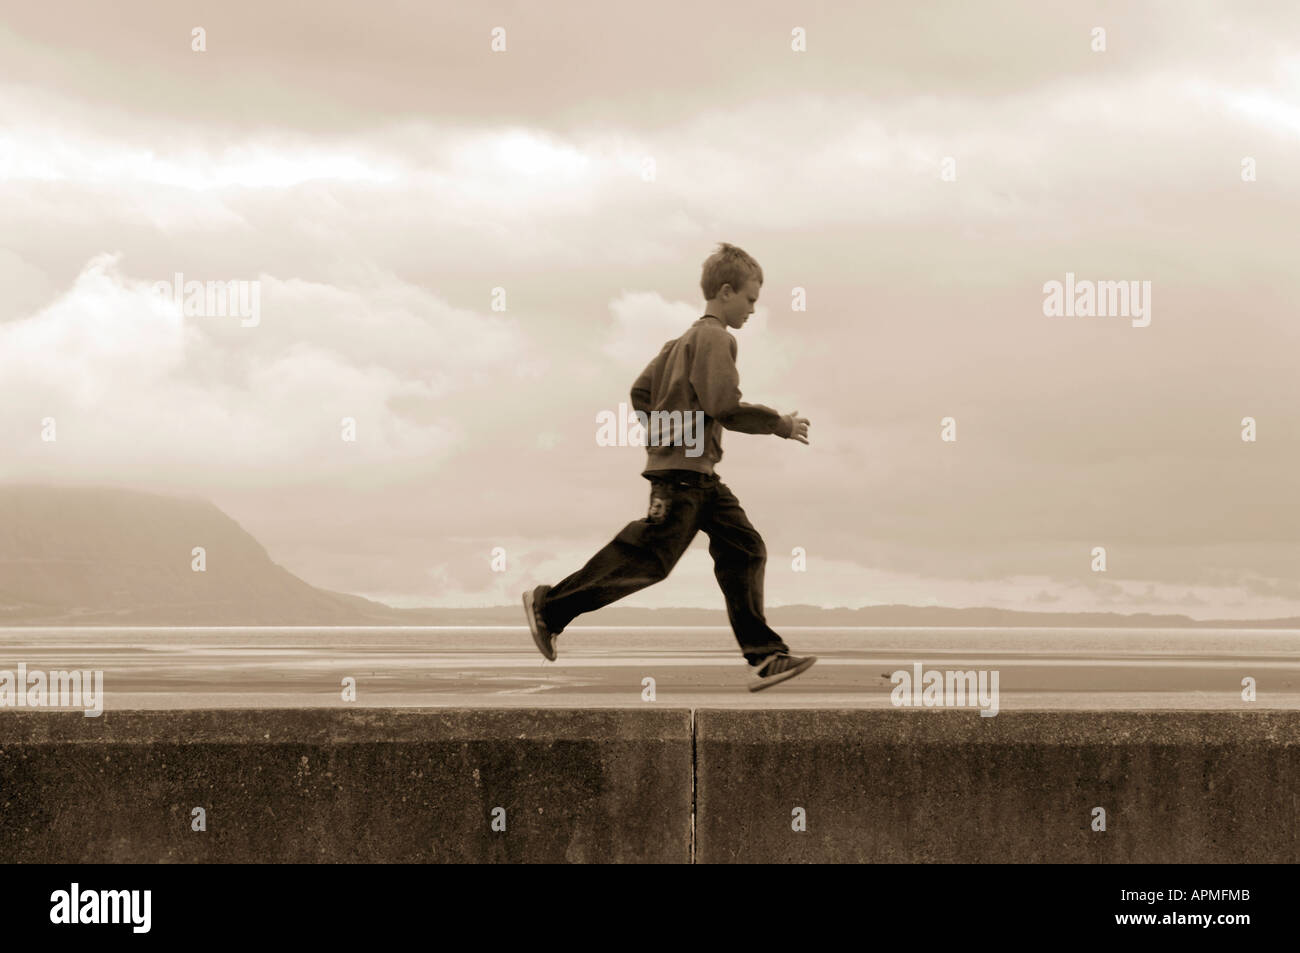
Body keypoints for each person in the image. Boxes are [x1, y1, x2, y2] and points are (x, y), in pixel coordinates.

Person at [523, 242, 815, 691]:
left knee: (745, 548)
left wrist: (669, 436)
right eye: (751, 299)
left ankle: (766, 657)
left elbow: (641, 394)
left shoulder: (676, 345)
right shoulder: (717, 338)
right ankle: (552, 606)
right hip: (683, 477)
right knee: (649, 558)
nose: (754, 309)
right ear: (724, 292)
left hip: (699, 476)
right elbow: (724, 405)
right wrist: (778, 423)